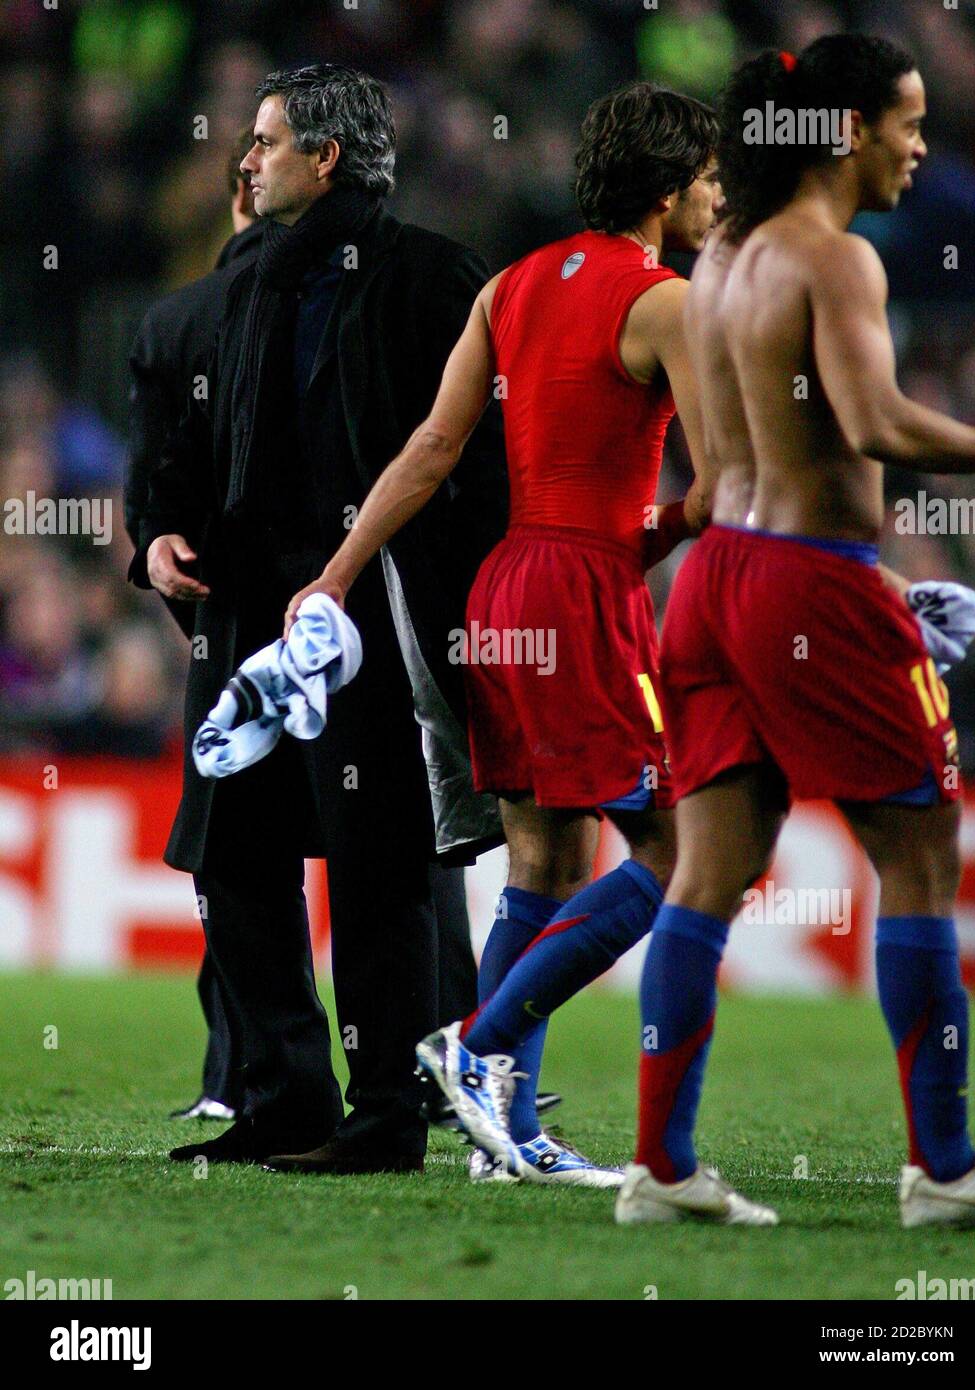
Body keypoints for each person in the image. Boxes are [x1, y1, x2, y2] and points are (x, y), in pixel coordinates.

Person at [284, 83, 722, 1183]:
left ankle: (505, 1139)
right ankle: (473, 1048)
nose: (720, 199)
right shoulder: (667, 300)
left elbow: (432, 446)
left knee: (542, 857)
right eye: (712, 180)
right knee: (677, 855)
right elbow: (719, 487)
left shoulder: (512, 285)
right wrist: (652, 534)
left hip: (500, 590)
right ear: (667, 193)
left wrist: (336, 574)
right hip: (580, 591)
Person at [615, 34, 975, 1228]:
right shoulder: (828, 258)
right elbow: (873, 421)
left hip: (713, 582)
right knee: (921, 854)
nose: (920, 146)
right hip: (808, 578)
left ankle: (659, 1170)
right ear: (842, 132)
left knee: (709, 871)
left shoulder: (722, 252)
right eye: (906, 122)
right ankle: (941, 1170)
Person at [131, 64, 507, 1174]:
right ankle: (283, 1095)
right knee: (234, 859)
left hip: (368, 605)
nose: (243, 160)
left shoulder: (431, 278)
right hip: (247, 603)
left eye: (264, 142)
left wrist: (433, 597)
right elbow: (183, 458)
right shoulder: (242, 276)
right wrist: (155, 539)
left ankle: (387, 1110)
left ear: (325, 156)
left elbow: (475, 465)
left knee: (378, 865)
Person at [127, 123, 262, 1124]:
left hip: (226, 623)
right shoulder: (385, 298)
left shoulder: (179, 321)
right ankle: (428, 1066)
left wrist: (155, 545)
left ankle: (237, 1075)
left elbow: (153, 492)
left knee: (230, 846)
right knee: (394, 854)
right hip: (350, 618)